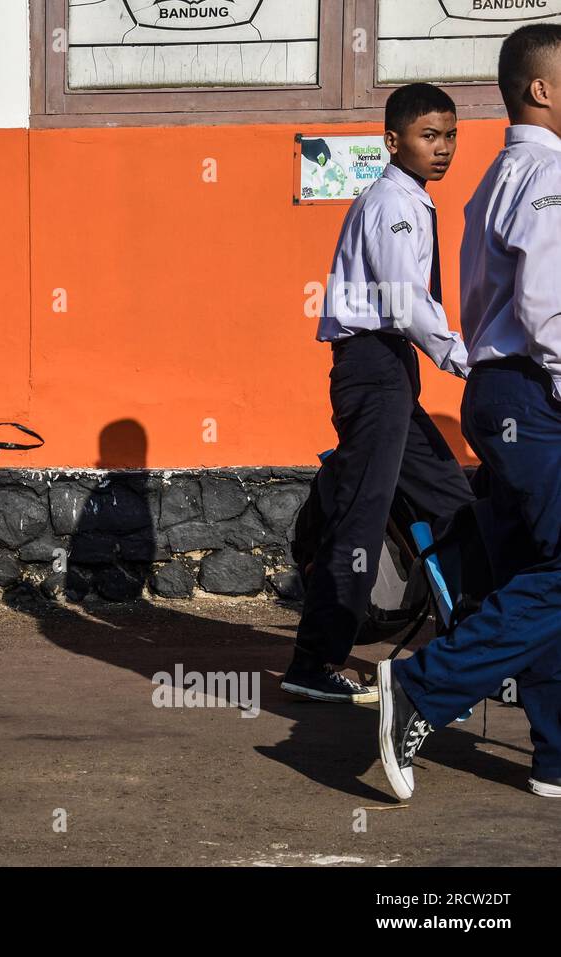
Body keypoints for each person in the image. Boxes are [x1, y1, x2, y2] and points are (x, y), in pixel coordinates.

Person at [379, 25, 561, 800]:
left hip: (498, 392)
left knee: (535, 571)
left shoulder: (495, 175)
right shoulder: (549, 176)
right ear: (543, 89)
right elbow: (549, 305)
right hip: (535, 390)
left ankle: (554, 754)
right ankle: (423, 686)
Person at [283, 83, 474, 703]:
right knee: (361, 519)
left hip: (392, 372)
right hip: (373, 368)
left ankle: (478, 648)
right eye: (429, 136)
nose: (442, 148)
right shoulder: (390, 204)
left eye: (449, 136)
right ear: (392, 142)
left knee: (453, 502)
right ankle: (314, 663)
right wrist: (460, 357)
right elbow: (402, 299)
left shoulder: (413, 202)